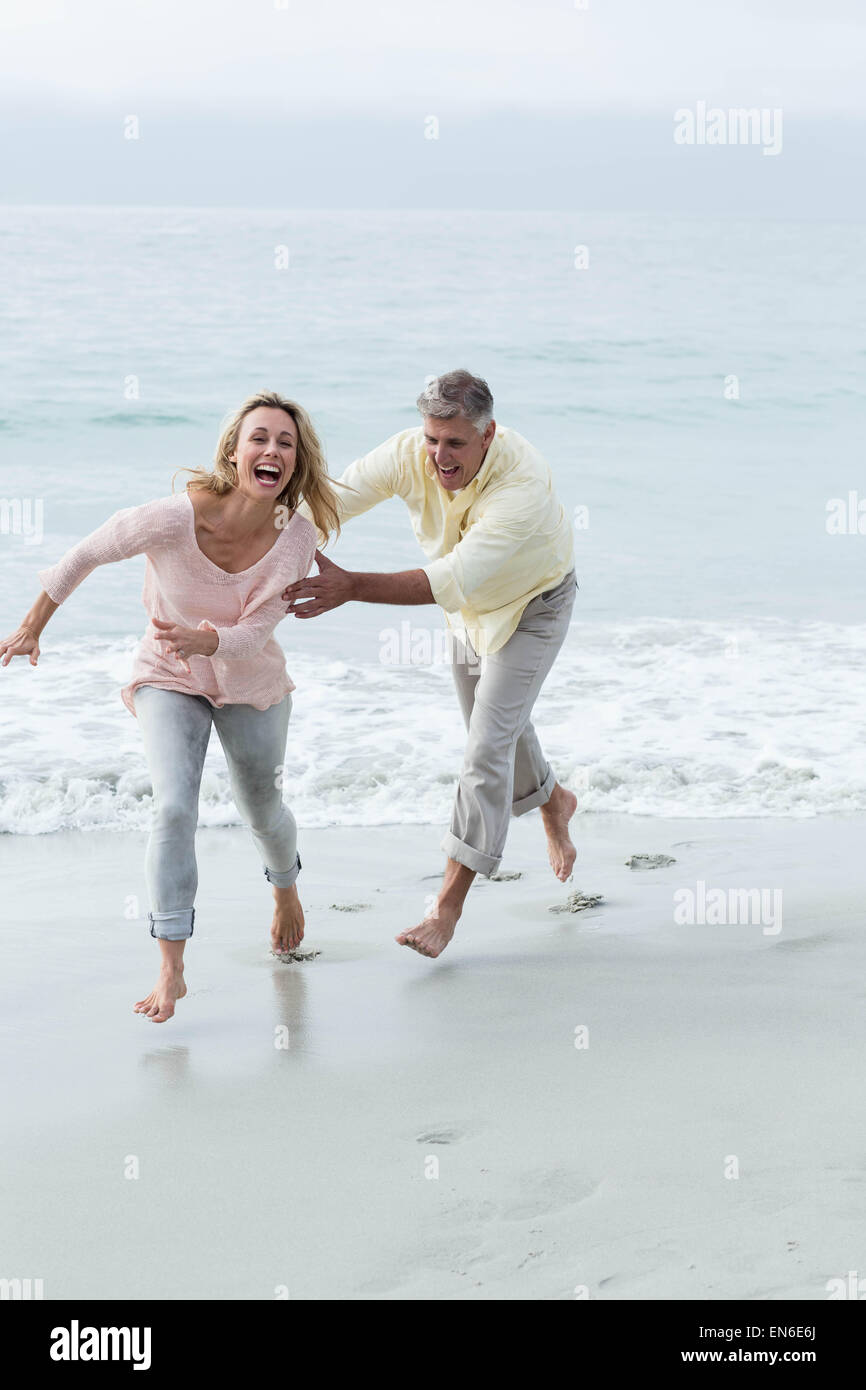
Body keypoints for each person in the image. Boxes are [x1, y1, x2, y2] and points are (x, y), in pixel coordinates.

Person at [0, 390, 339, 1021]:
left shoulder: (296, 537)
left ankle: (286, 888)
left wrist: (208, 638)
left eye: (286, 443)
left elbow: (257, 633)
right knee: (174, 806)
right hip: (167, 675)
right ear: (234, 452)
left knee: (261, 807)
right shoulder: (173, 517)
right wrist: (31, 627)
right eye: (259, 438)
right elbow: (85, 554)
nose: (272, 450)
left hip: (250, 681)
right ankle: (171, 967)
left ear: (297, 462)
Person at [284, 369, 578, 959]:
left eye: (455, 443)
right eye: (432, 439)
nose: (439, 455)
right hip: (468, 614)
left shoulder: (522, 486)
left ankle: (446, 908)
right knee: (497, 727)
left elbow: (451, 576)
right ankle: (553, 801)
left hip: (533, 607)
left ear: (488, 434)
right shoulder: (409, 453)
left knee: (485, 747)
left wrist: (351, 586)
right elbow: (330, 503)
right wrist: (250, 547)